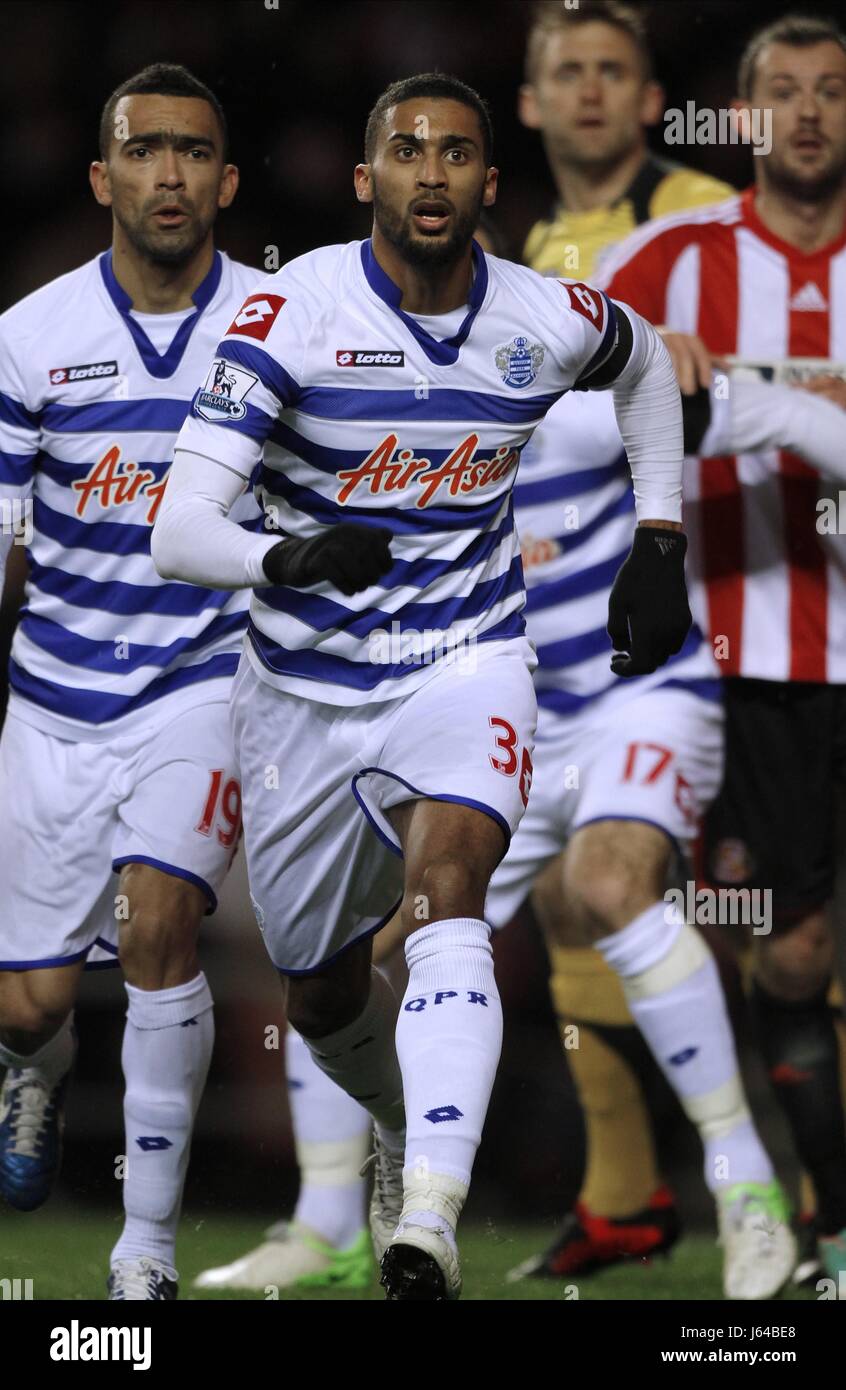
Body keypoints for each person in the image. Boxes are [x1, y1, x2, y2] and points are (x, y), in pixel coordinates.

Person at [152, 70, 696, 1301]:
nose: (431, 173)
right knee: (321, 985)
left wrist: (657, 533)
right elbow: (177, 529)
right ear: (366, 180)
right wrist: (280, 555)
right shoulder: (288, 315)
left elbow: (647, 363)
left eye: (456, 154)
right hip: (300, 694)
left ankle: (430, 1223)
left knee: (451, 888)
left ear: (488, 185)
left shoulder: (545, 314)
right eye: (406, 151)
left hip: (468, 663)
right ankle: (402, 1127)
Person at [0, 63, 260, 1300]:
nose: (171, 173)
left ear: (228, 180)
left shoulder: (276, 327)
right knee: (22, 1004)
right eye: (146, 151)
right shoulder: (30, 336)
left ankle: (142, 1255)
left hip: (203, 682)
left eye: (194, 152)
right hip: (51, 701)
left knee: (162, 922)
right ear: (103, 177)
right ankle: (34, 1071)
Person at [598, 11, 846, 1283]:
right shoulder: (664, 260)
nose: (808, 114)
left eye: (831, 92)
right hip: (756, 659)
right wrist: (643, 360)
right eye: (783, 93)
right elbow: (555, 376)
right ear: (743, 120)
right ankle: (830, 1224)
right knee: (791, 947)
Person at [514, 0, 738, 1273]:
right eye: (567, 72)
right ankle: (628, 1194)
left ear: (653, 98)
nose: (592, 91)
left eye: (615, 70)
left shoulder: (706, 215)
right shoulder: (545, 247)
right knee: (571, 896)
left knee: (774, 931)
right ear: (534, 101)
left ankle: (803, 1192)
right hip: (606, 623)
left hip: (740, 602)